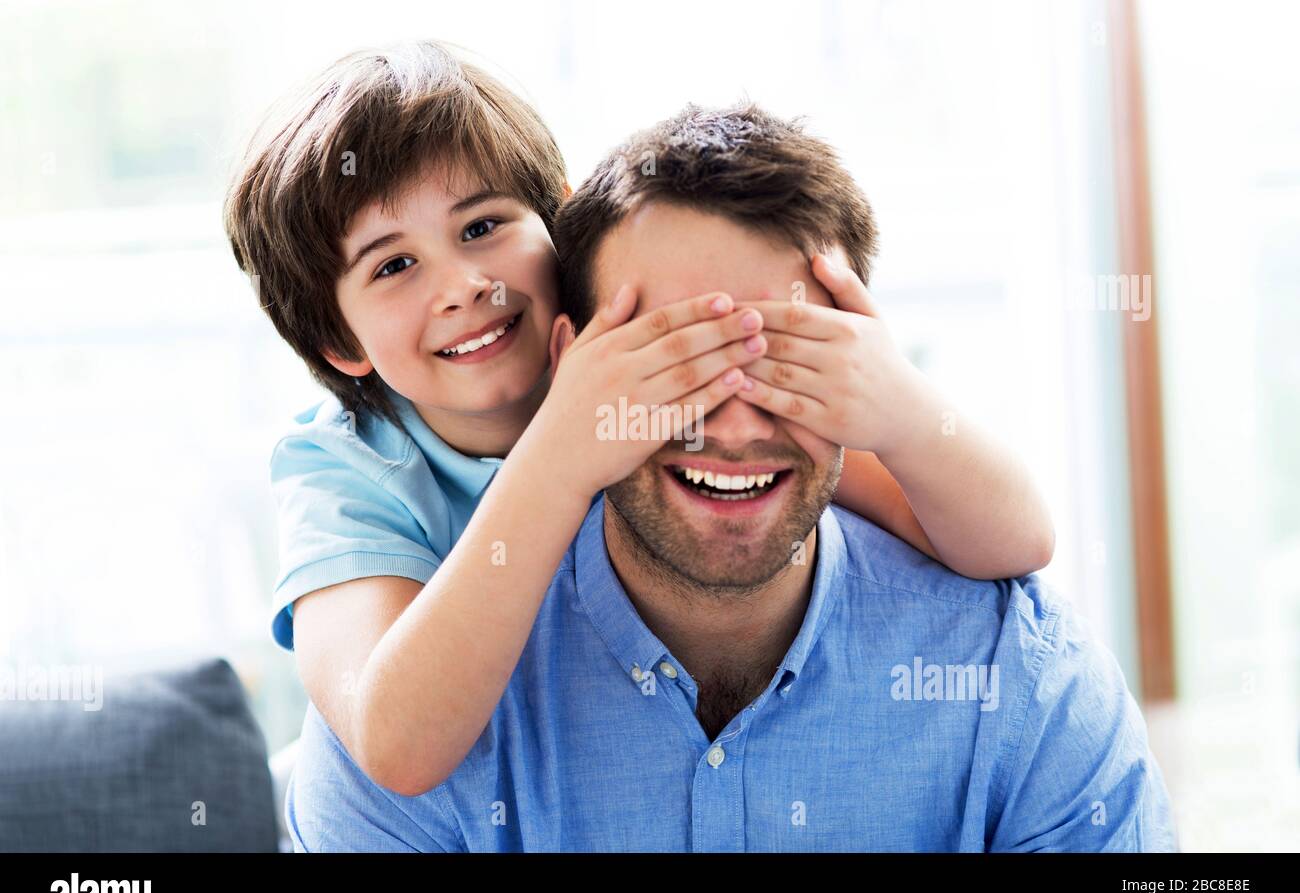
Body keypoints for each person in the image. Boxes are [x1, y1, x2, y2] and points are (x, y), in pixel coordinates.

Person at [283, 102, 1177, 852]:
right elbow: (395, 747)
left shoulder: (1019, 681)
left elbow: (1017, 536)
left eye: (787, 362)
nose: (736, 424)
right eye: (675, 364)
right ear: (579, 368)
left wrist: (901, 407)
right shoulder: (368, 544)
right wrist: (567, 443)